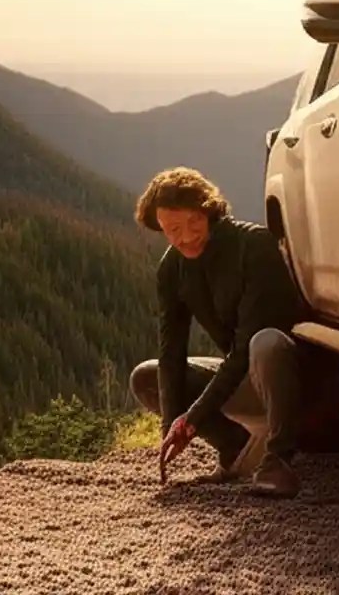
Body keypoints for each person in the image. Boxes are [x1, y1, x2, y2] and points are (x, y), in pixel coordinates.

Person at [128, 166, 307, 498]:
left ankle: (278, 459)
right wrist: (171, 426)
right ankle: (235, 448)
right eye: (173, 229)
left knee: (264, 343)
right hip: (247, 380)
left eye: (193, 221)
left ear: (208, 209)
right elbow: (172, 350)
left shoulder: (254, 246)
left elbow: (243, 350)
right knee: (148, 377)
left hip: (296, 381)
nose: (186, 237)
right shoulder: (172, 268)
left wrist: (193, 418)